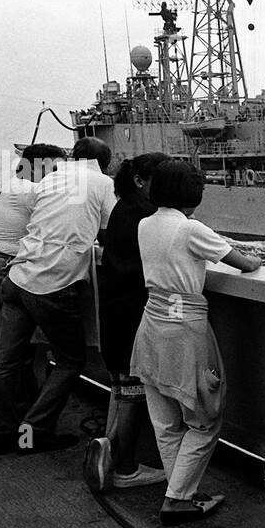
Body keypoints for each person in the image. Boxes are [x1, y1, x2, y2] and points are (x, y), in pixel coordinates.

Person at [127, 160, 261, 524]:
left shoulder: (143, 224)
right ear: (194, 194)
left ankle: (181, 491)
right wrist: (256, 260)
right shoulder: (191, 229)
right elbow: (244, 264)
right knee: (204, 420)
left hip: (151, 323)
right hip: (185, 328)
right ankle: (176, 499)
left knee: (166, 422)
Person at [0, 137, 115, 455]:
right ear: (105, 163)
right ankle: (34, 432)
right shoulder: (101, 182)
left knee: (6, 358)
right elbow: (112, 230)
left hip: (17, 277)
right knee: (70, 360)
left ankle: (1, 434)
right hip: (52, 284)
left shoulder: (50, 179)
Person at [84, 151, 170, 492]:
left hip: (114, 313)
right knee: (134, 392)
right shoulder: (147, 215)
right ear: (141, 181)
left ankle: (109, 449)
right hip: (135, 313)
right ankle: (126, 467)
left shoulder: (123, 209)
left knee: (122, 389)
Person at [0, 144, 67, 413]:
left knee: (12, 355)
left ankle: (12, 422)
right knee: (15, 357)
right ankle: (16, 422)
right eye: (54, 167)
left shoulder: (15, 187)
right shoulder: (31, 191)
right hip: (8, 270)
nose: (57, 174)